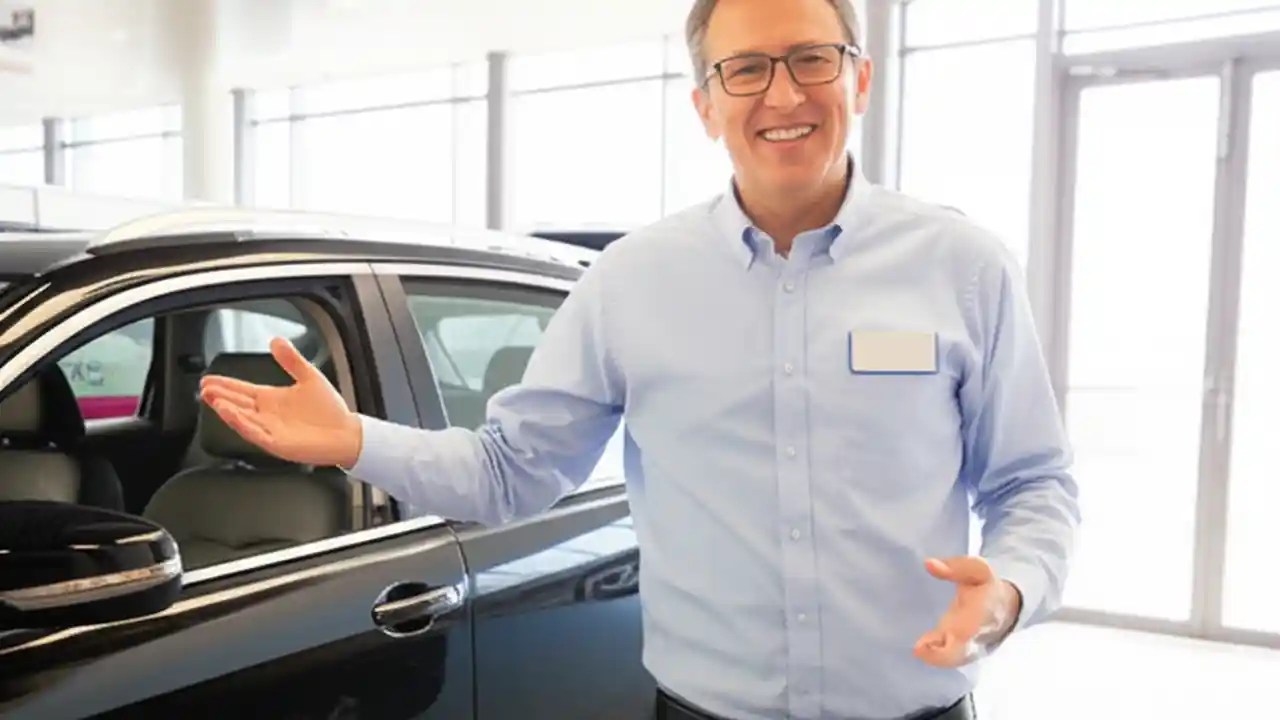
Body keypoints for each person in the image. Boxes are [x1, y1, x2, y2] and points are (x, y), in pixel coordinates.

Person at [200, 0, 1080, 717]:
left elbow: (1034, 482)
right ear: (705, 102)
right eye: (745, 69)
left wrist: (1006, 592)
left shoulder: (963, 267)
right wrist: (358, 439)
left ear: (860, 77)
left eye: (812, 58)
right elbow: (513, 474)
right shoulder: (631, 281)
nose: (782, 95)